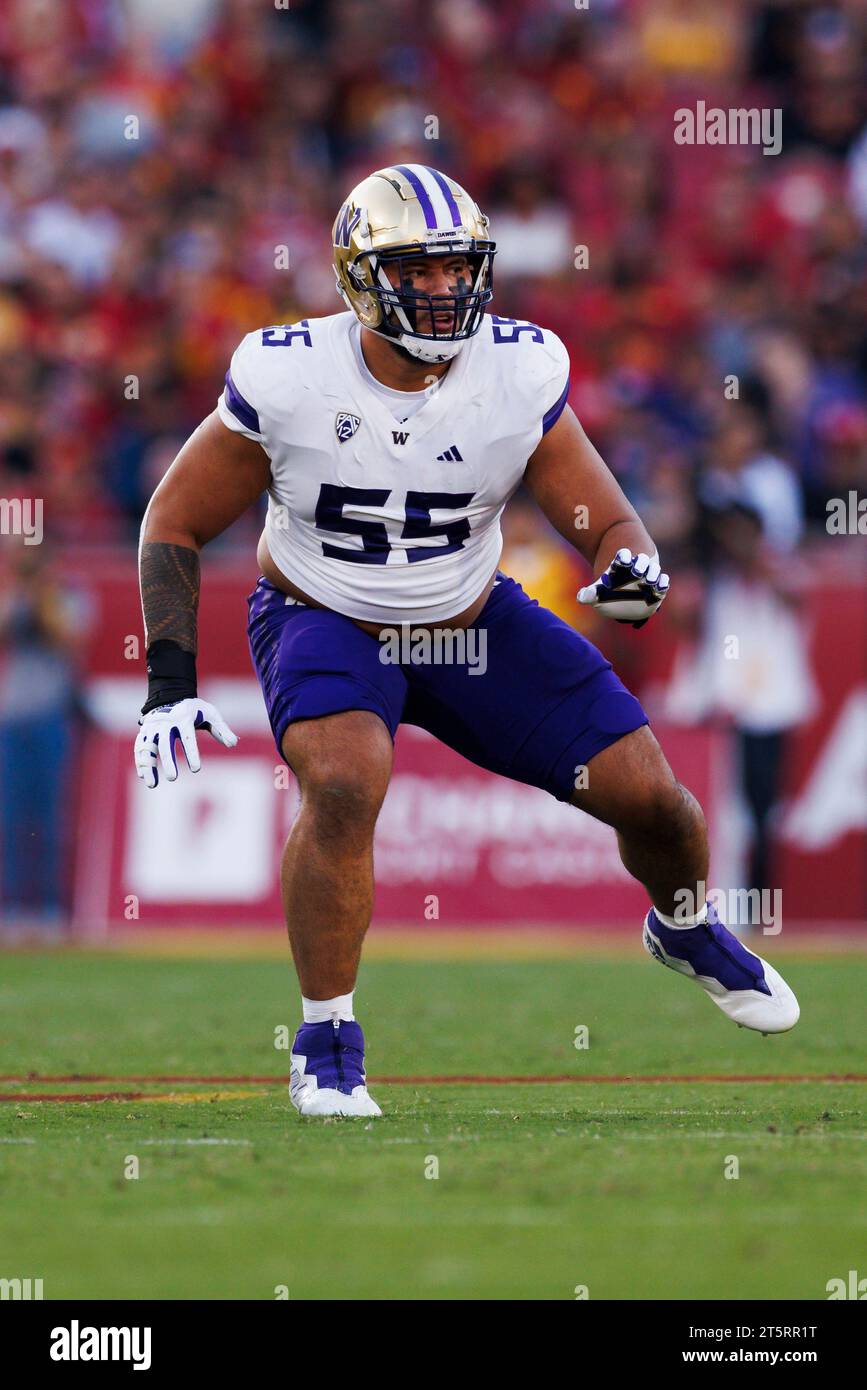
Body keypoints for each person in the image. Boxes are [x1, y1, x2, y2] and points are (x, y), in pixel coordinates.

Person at [134, 165, 799, 1118]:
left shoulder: (518, 368)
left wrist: (631, 567)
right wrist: (168, 679)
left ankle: (683, 923)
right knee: (345, 777)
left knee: (655, 801)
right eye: (420, 270)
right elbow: (173, 519)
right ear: (361, 276)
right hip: (326, 616)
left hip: (469, 619)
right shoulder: (289, 374)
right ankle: (325, 1039)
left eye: (459, 270)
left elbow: (608, 522)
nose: (447, 291)